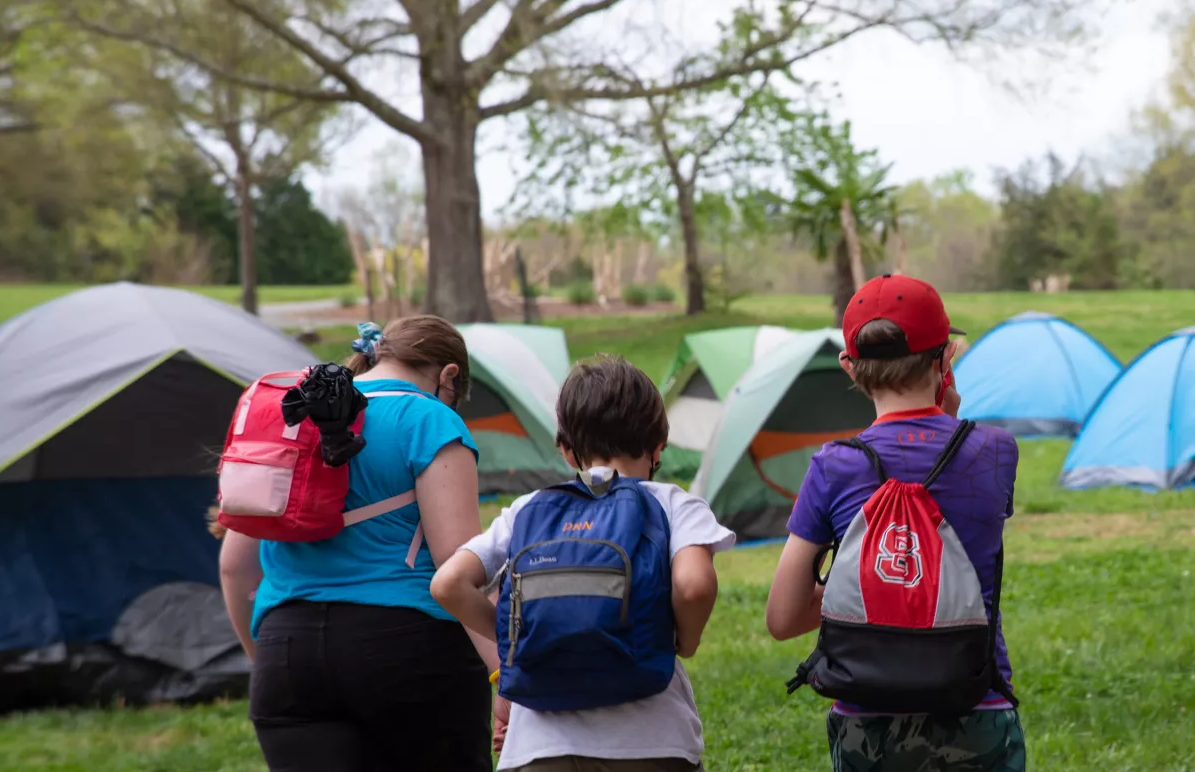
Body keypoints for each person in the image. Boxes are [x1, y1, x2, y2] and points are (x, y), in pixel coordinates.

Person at [766, 274, 1025, 772]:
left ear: (849, 365)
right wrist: (950, 412)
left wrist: (869, 592)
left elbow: (782, 617)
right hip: (976, 709)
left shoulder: (834, 465)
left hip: (867, 722)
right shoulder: (995, 452)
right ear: (946, 358)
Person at [431, 356, 734, 772]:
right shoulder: (671, 503)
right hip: (651, 742)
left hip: (538, 747)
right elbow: (695, 585)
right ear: (659, 444)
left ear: (566, 450)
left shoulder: (528, 509)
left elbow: (448, 584)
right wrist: (686, 639)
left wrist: (515, 643)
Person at [218, 317, 496, 771]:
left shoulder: (297, 412)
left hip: (286, 651)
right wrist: (503, 669)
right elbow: (456, 564)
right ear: (449, 377)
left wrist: (265, 656)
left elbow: (234, 566)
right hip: (408, 651)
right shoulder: (430, 419)